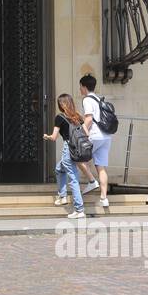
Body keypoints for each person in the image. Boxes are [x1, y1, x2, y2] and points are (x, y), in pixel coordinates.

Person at [43, 94, 87, 219]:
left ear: (61, 105)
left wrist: (47, 136)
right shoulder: (78, 116)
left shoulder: (60, 117)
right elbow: (86, 133)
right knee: (59, 169)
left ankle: (79, 210)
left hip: (68, 148)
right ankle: (62, 197)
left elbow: (54, 137)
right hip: (77, 148)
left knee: (73, 178)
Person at [78, 74, 112, 210]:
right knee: (101, 167)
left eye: (80, 86)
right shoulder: (99, 99)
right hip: (106, 136)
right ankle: (104, 198)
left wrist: (81, 131)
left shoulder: (87, 100)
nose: (79, 89)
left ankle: (92, 181)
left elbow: (89, 119)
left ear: (84, 87)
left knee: (77, 158)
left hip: (95, 135)